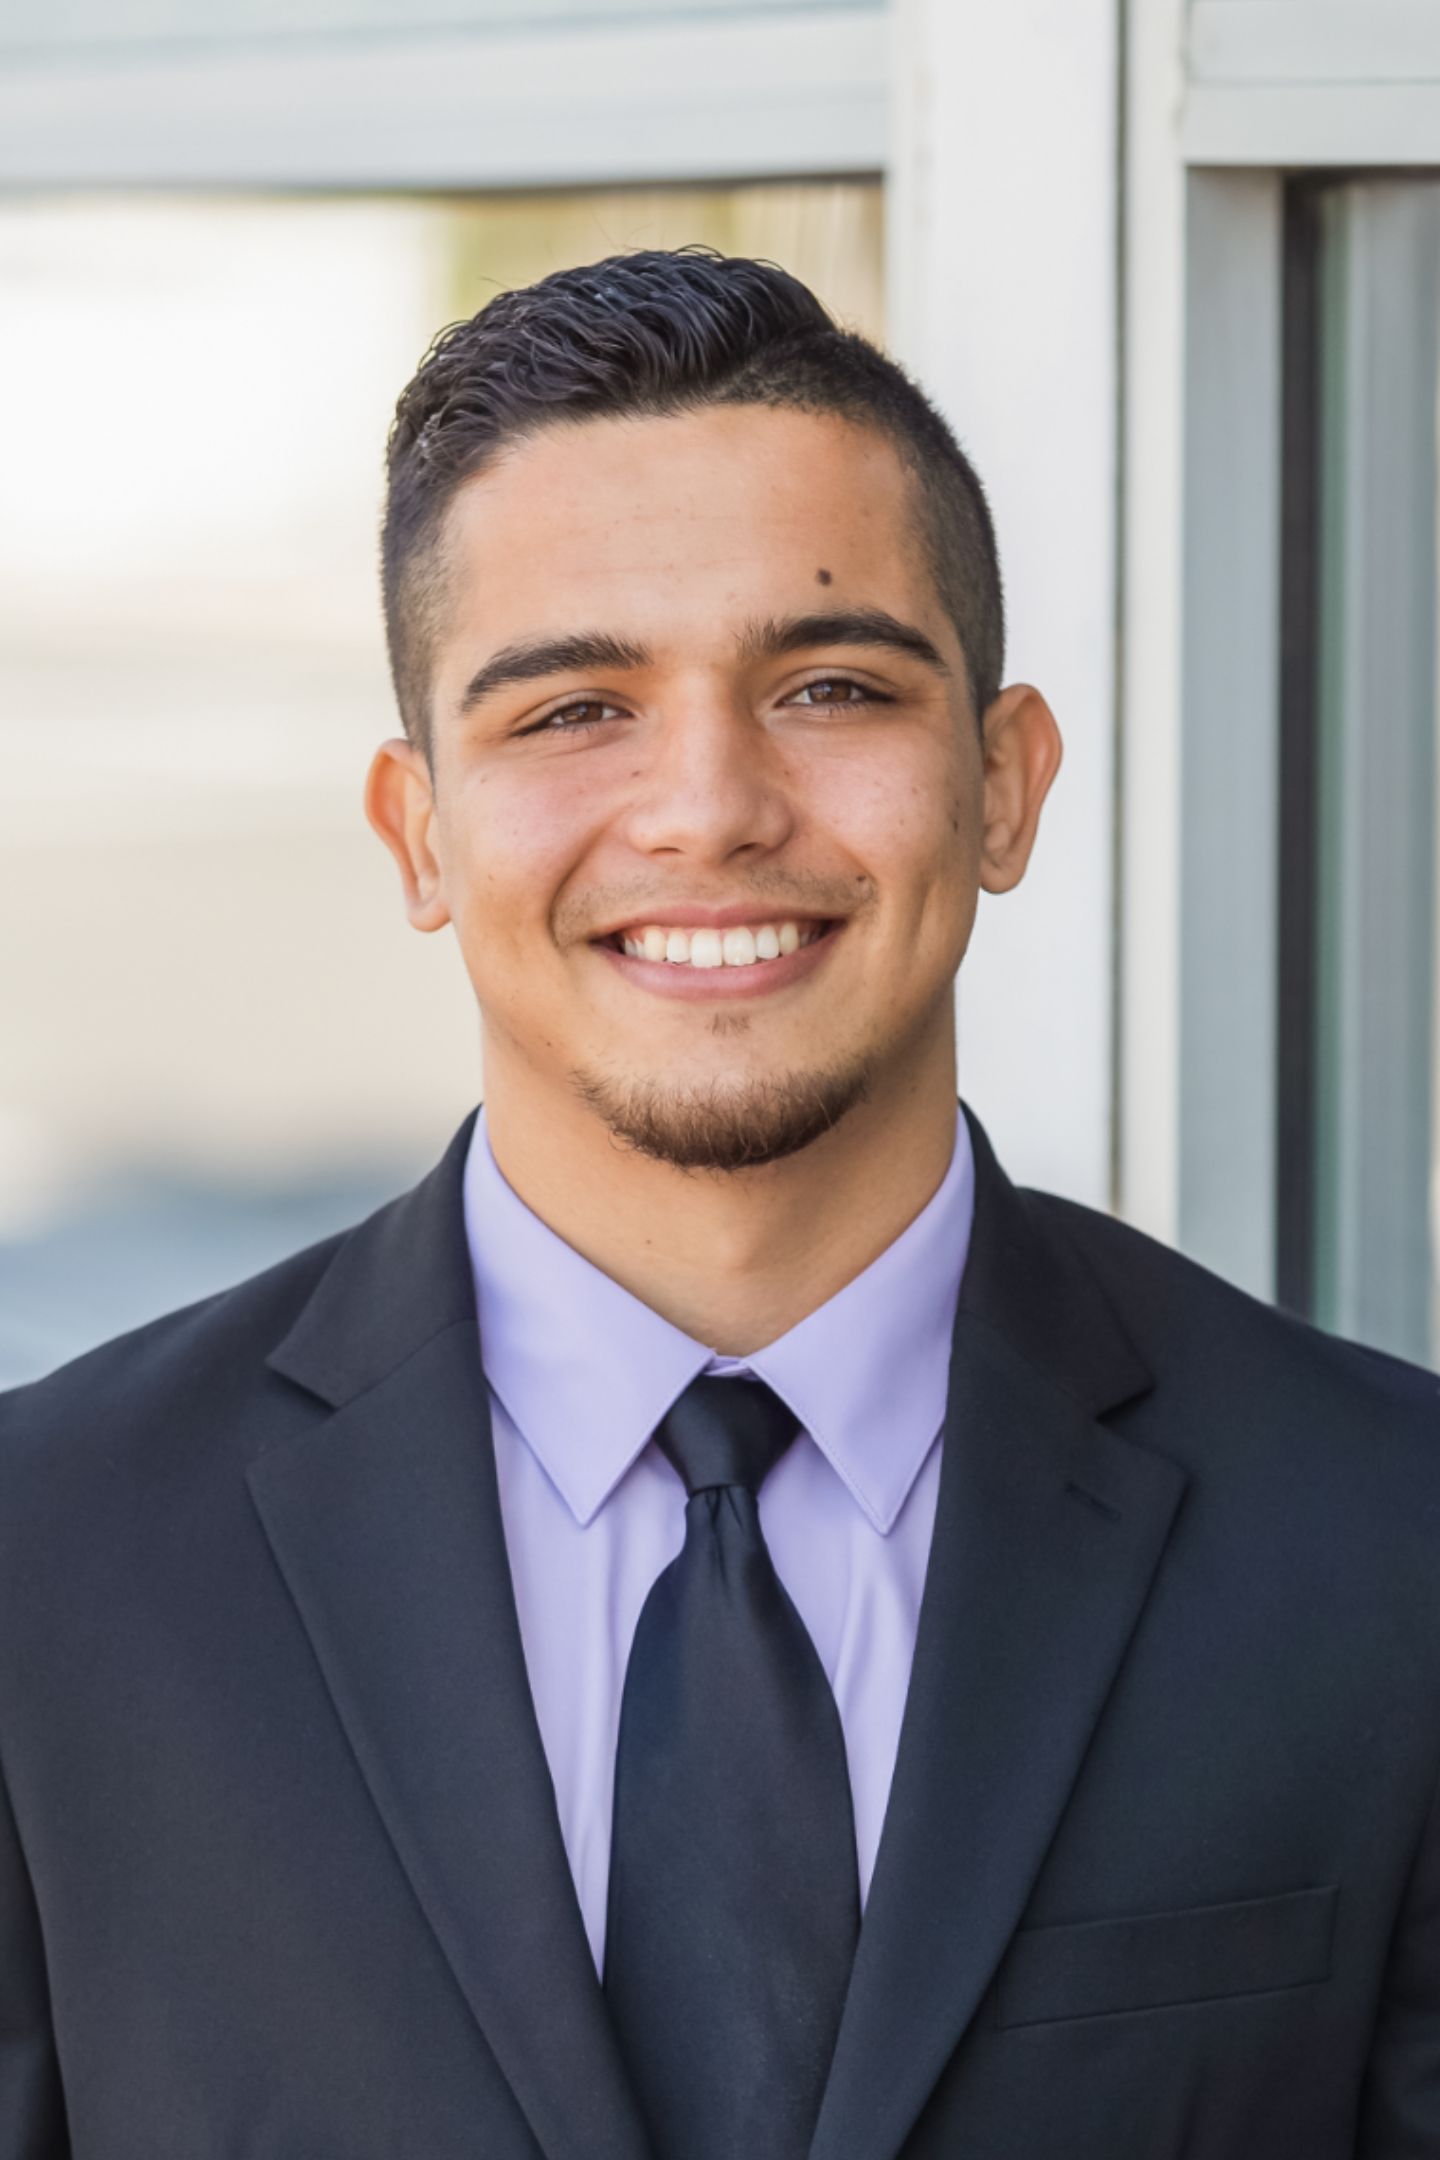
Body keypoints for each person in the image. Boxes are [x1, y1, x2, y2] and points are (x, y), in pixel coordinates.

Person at [1, 246, 1437, 2160]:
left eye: (830, 686)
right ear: (419, 833)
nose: (709, 807)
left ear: (1004, 785)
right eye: (571, 709)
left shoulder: (1388, 1543)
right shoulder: (48, 1569)